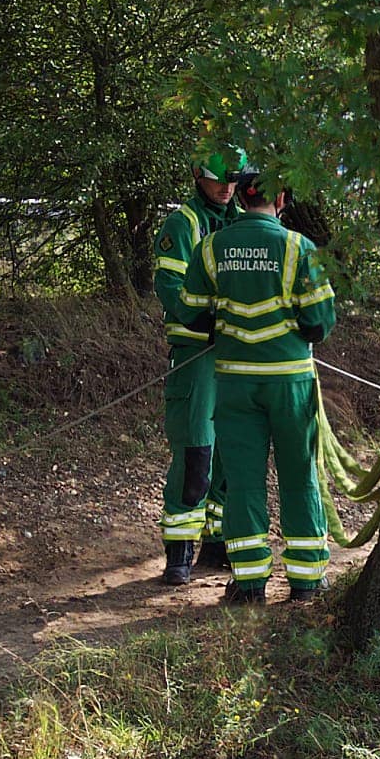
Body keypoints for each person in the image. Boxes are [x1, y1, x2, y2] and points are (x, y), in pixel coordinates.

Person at [180, 163, 338, 604]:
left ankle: (249, 584)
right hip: (289, 384)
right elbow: (319, 322)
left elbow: (191, 312)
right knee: (299, 476)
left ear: (240, 197)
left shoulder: (211, 247)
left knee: (243, 482)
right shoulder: (299, 248)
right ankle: (306, 581)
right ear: (281, 199)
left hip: (234, 383)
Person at [152, 148, 243, 585]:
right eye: (217, 179)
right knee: (196, 451)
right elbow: (170, 286)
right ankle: (180, 551)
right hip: (196, 353)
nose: (226, 188)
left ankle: (218, 542)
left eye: (233, 180)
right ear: (197, 176)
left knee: (232, 450)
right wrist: (210, 321)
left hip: (239, 354)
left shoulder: (245, 222)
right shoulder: (183, 223)